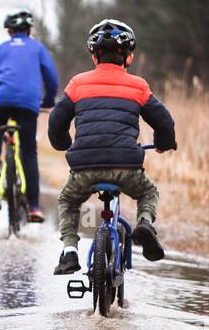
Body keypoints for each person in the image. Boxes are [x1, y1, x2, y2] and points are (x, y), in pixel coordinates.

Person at [46, 18, 176, 274]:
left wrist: (63, 143)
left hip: (84, 169)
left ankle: (70, 251)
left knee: (68, 200)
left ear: (94, 56)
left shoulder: (77, 84)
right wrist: (163, 143)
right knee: (148, 193)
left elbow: (56, 120)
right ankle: (145, 224)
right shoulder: (138, 86)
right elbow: (164, 121)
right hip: (126, 167)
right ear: (128, 56)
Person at [0, 10, 59, 222]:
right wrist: (49, 99)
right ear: (29, 30)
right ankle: (34, 207)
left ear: (10, 31)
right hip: (29, 103)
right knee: (29, 152)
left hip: (4, 100)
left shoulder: (2, 48)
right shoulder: (38, 48)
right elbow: (51, 77)